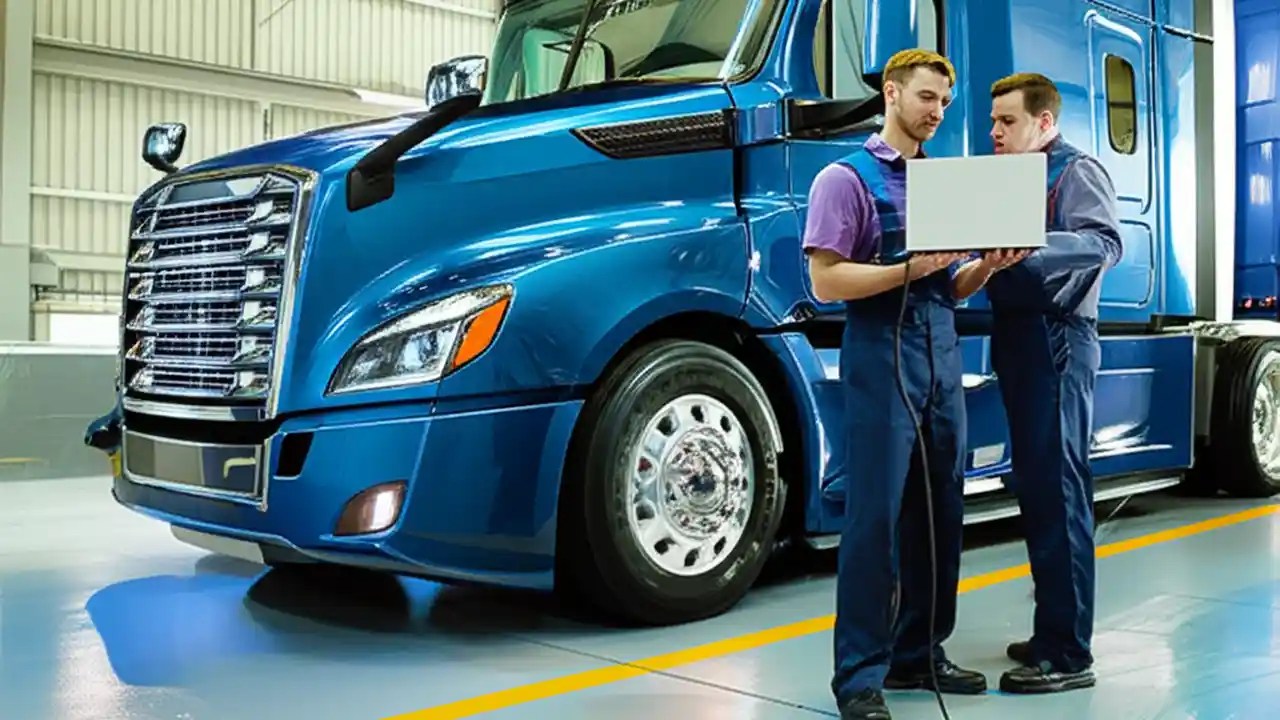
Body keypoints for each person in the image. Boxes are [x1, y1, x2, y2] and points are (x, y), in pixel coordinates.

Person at [803, 48, 1021, 720]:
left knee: (939, 512)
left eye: (945, 103)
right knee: (874, 520)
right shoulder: (844, 179)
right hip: (881, 356)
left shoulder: (944, 182)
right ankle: (859, 677)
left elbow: (950, 286)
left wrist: (988, 265)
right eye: (927, 97)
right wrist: (909, 268)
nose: (938, 112)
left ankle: (919, 652)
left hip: (942, 355)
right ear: (892, 94)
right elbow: (826, 280)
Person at [983, 72, 1124, 694]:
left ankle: (1068, 654)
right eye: (993, 121)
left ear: (1044, 122)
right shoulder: (1008, 177)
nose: (995, 131)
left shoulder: (1074, 170)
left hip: (1058, 337)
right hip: (1019, 339)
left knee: (1060, 490)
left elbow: (1104, 242)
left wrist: (1029, 247)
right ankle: (1052, 630)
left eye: (1007, 121)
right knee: (1037, 489)